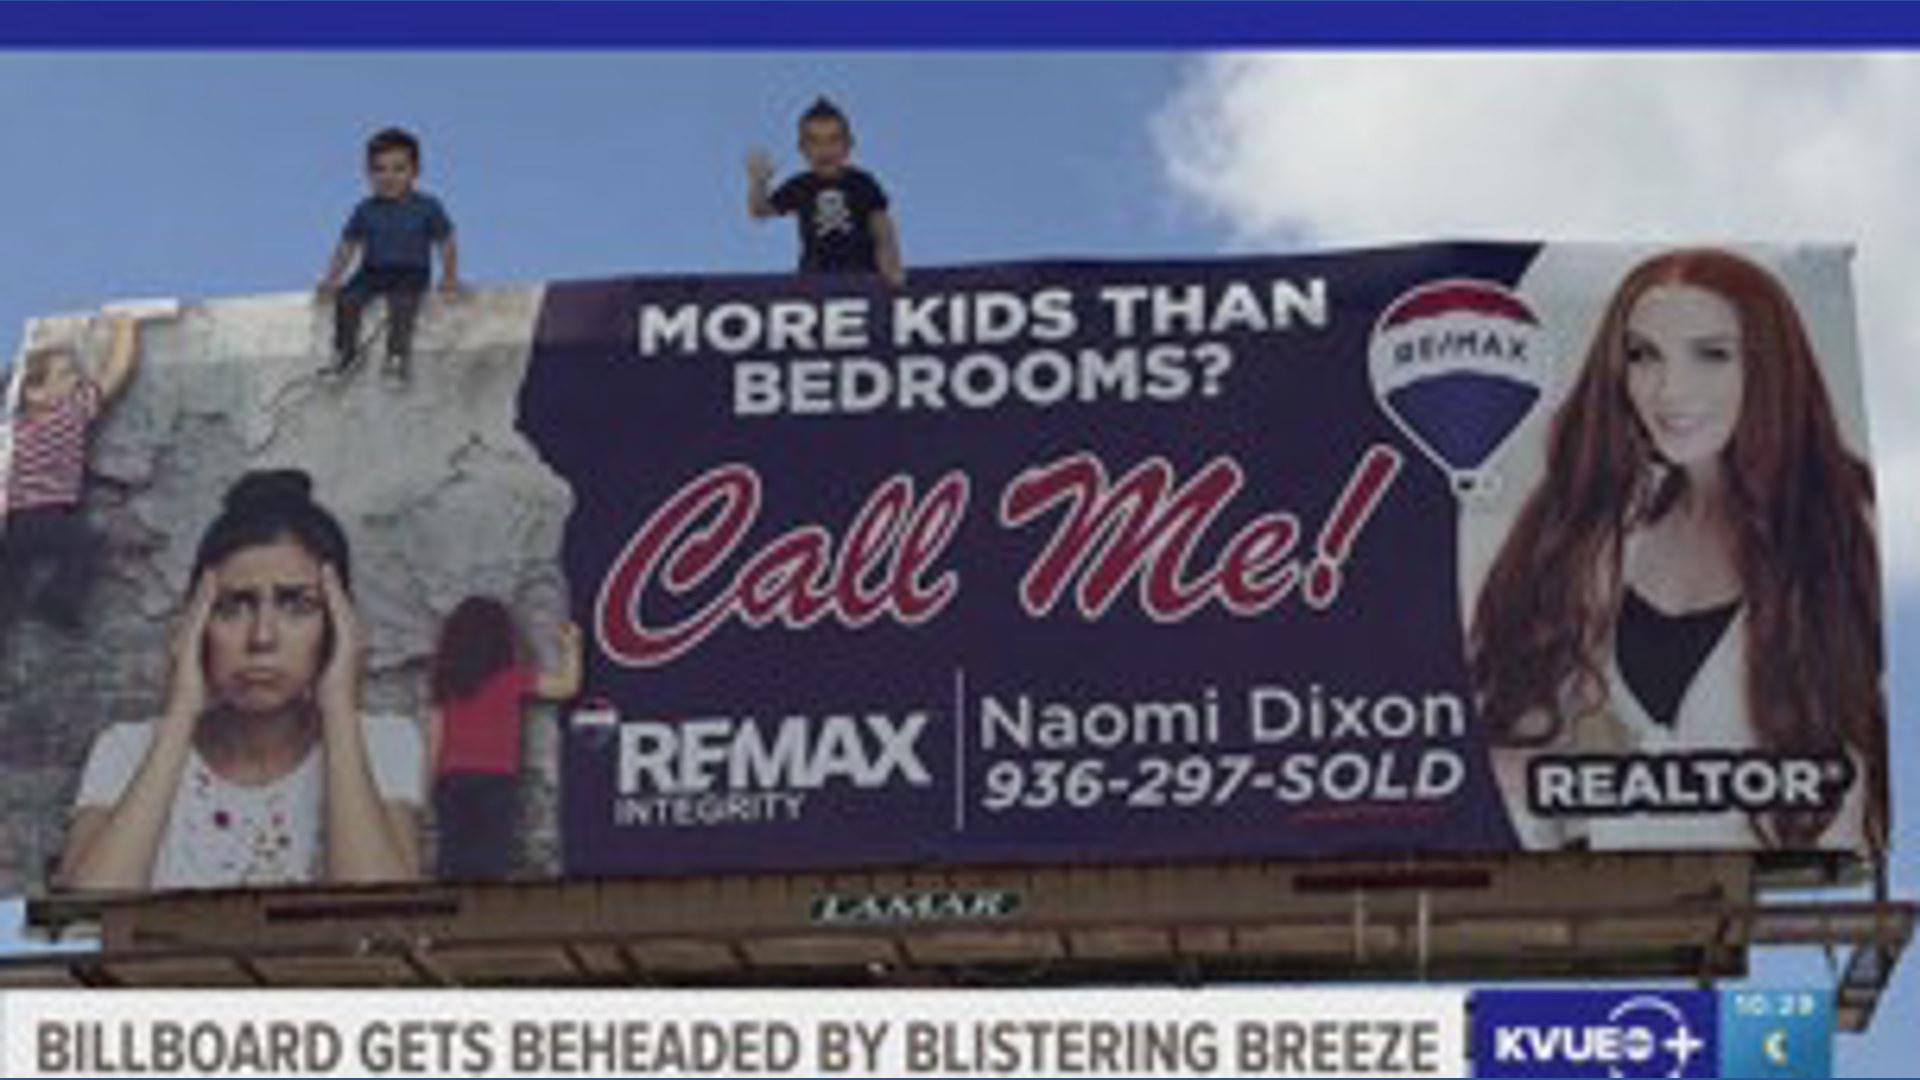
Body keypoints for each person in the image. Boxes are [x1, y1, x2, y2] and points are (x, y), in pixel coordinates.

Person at [1469, 248, 1885, 855]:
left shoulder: (1845, 523)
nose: (1671, 390)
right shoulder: (1604, 530)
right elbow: (1507, 746)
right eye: (1644, 355)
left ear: (1768, 366)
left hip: (1763, 874)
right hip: (1611, 888)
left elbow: (1855, 769)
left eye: (1711, 355)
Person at [59, 470, 423, 892]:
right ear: (197, 623)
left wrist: (340, 706)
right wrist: (180, 712)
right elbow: (86, 919)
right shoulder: (126, 749)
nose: (262, 637)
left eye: (296, 606)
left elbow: (381, 916)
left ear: (337, 624)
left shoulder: (382, 744)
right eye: (233, 607)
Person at [1, 314, 146, 633]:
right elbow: (115, 373)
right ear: (34, 393)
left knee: (10, 581)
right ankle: (56, 603)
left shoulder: (11, 430)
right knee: (85, 544)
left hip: (10, 523)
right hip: (46, 514)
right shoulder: (68, 415)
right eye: (66, 374)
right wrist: (126, 327)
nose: (77, 380)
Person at [426, 597, 582, 881]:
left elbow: (435, 735)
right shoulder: (511, 678)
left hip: (451, 779)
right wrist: (572, 645)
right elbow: (566, 686)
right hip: (496, 779)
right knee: (492, 862)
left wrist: (429, 784)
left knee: (451, 860)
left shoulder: (446, 679)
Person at [318, 127, 460, 385]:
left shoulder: (427, 206)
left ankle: (396, 357)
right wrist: (331, 279)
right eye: (379, 170)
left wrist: (449, 277)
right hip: (372, 270)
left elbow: (446, 242)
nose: (389, 177)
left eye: (399, 169)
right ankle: (345, 353)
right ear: (368, 173)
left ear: (415, 171)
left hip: (411, 270)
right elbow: (347, 246)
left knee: (402, 303)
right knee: (348, 299)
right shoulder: (365, 210)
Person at [747, 96, 905, 287]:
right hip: (815, 278)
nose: (824, 150)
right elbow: (760, 210)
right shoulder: (800, 185)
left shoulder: (861, 182)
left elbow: (882, 226)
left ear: (848, 145)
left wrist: (891, 264)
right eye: (814, 141)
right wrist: (758, 182)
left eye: (833, 140)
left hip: (861, 274)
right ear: (802, 148)